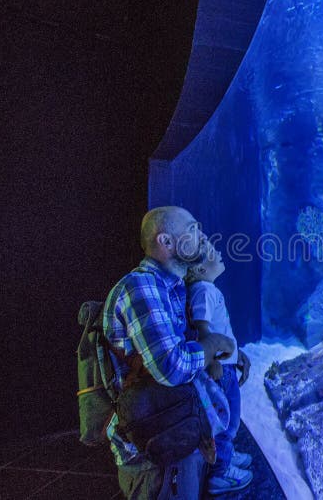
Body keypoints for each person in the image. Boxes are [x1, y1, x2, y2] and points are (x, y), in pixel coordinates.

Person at [102, 206, 234, 499]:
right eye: (191, 229)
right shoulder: (141, 287)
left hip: (172, 429)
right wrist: (213, 345)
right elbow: (171, 367)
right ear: (166, 242)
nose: (201, 235)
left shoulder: (171, 288)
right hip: (147, 447)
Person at [186, 241, 253, 495]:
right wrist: (212, 360)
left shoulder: (206, 288)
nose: (221, 254)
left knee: (226, 419)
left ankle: (225, 455)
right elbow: (201, 328)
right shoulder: (204, 290)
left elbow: (217, 330)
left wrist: (237, 354)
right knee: (226, 421)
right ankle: (220, 473)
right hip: (219, 370)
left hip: (225, 364)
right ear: (201, 269)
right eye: (214, 254)